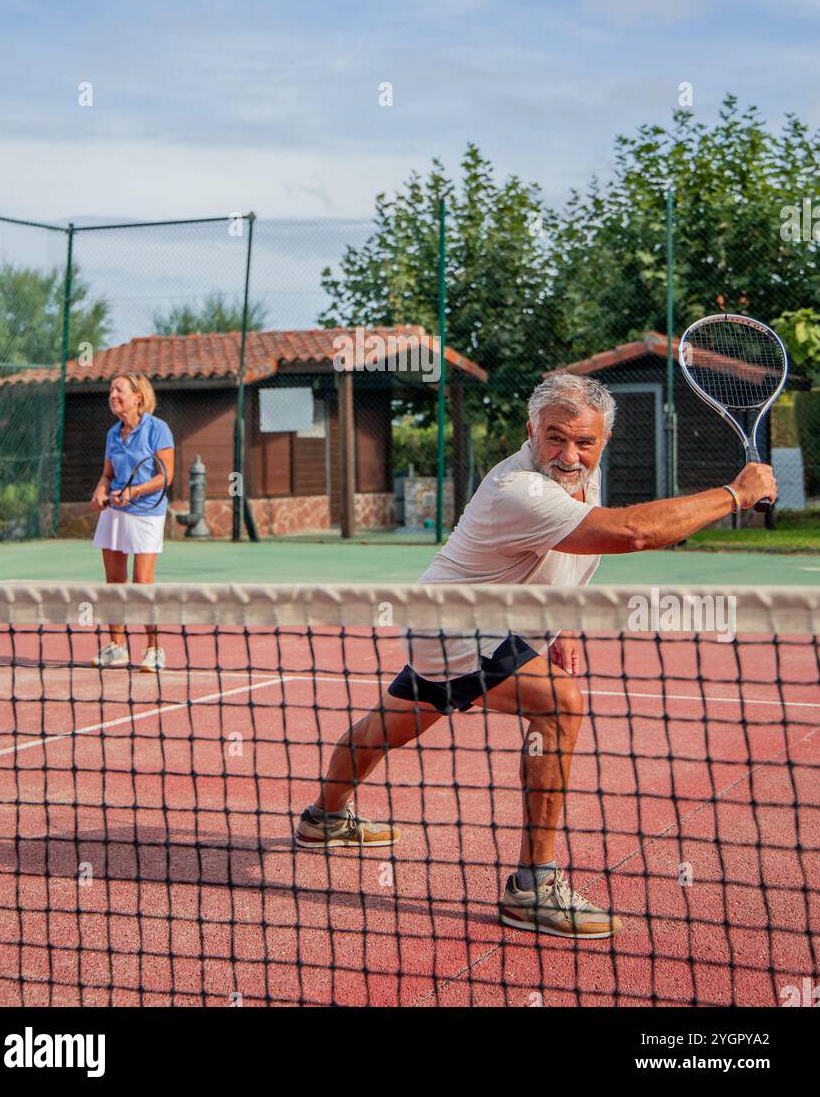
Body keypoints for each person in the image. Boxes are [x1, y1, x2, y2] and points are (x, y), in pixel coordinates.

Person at [294, 372, 777, 939]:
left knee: (389, 726)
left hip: (462, 623)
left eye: (584, 442)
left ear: (602, 441)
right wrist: (735, 494)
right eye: (555, 437)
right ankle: (533, 887)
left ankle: (323, 819)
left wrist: (565, 626)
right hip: (458, 629)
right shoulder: (519, 489)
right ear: (531, 430)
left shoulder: (576, 479)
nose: (569, 455)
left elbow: (570, 554)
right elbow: (632, 534)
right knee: (559, 705)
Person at [89, 372, 175, 673]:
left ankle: (153, 649)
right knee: (114, 583)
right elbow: (108, 474)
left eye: (119, 390)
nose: (113, 394)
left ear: (138, 396)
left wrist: (134, 491)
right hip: (114, 511)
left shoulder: (158, 429)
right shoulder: (113, 433)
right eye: (111, 389)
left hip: (147, 513)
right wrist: (101, 490)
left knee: (142, 582)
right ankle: (116, 646)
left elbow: (166, 476)